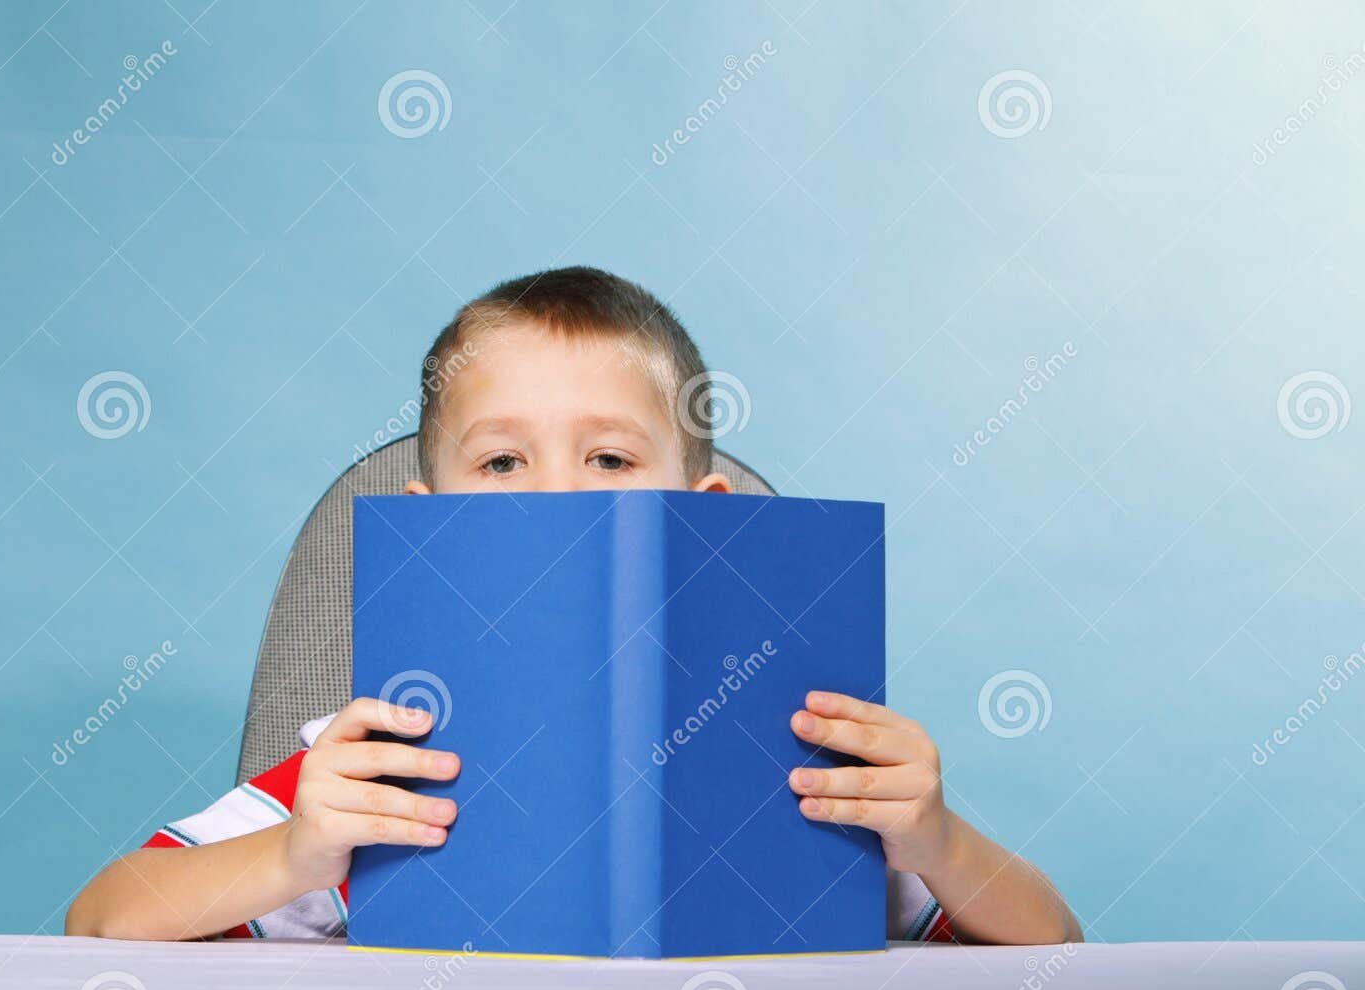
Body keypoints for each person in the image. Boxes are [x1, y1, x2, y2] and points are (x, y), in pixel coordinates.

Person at [66, 266, 1083, 948]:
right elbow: (101, 920)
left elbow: (1056, 951)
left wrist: (937, 838)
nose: (558, 498)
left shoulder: (807, 755)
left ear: (705, 516)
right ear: (424, 526)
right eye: (502, 459)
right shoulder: (374, 762)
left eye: (607, 457)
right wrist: (297, 850)